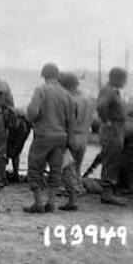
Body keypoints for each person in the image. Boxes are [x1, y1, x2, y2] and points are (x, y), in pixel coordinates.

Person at [24, 63, 76, 213]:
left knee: (35, 169)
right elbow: (71, 121)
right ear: (57, 76)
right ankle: (51, 202)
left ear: (44, 75)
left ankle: (38, 202)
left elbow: (33, 112)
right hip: (61, 137)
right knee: (56, 170)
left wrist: (29, 117)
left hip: (43, 135)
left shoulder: (41, 90)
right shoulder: (67, 95)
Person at [61, 72, 93, 206]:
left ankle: (72, 190)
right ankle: (79, 186)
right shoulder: (86, 99)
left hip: (73, 134)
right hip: (84, 134)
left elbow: (69, 120)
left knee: (68, 165)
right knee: (78, 165)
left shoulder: (71, 100)